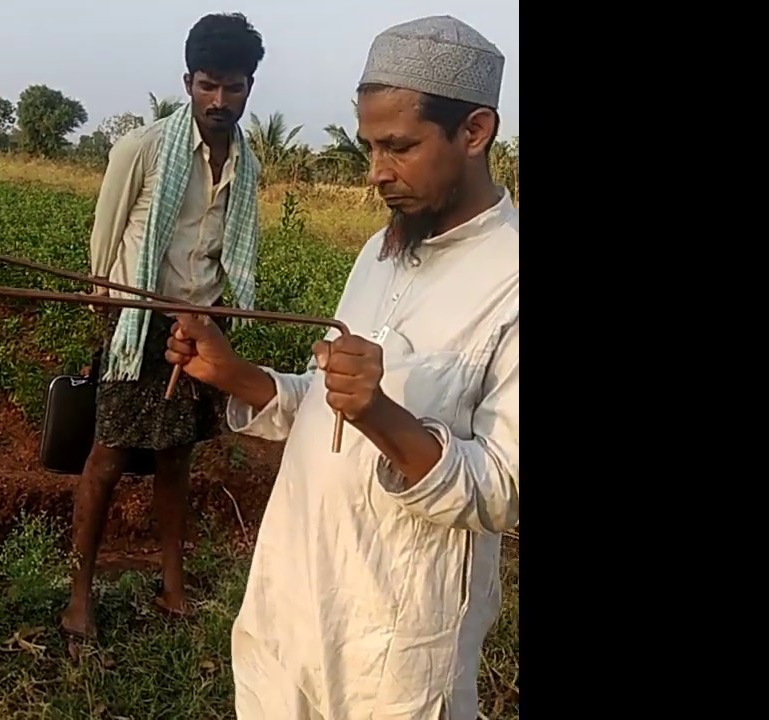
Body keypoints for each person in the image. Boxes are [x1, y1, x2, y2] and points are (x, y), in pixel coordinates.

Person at [164, 15, 518, 720]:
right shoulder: (380, 252)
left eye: (400, 147)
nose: (376, 172)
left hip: (395, 644)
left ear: (475, 132)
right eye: (369, 147)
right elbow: (329, 400)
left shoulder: (509, 279)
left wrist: (380, 415)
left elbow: (502, 492)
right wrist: (238, 377)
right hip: (293, 602)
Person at [59, 12, 266, 654]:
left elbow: (227, 249)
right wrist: (108, 303)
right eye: (208, 85)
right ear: (188, 83)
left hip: (199, 324)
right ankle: (78, 597)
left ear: (249, 87)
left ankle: (172, 587)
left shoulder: (248, 163)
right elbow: (106, 237)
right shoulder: (142, 149)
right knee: (109, 455)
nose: (220, 100)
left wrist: (215, 317)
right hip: (139, 323)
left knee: (178, 457)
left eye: (233, 87)